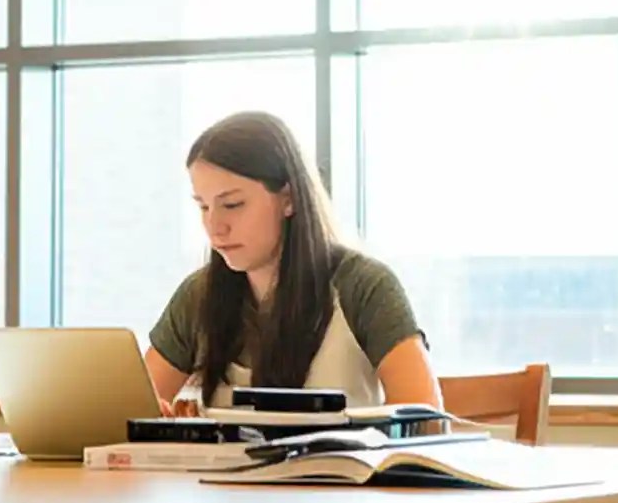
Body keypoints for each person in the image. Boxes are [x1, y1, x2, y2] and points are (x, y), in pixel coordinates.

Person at [144, 111, 441, 415]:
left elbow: (423, 418)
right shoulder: (198, 296)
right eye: (203, 206)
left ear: (289, 199)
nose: (214, 226)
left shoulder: (364, 286)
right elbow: (129, 410)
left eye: (232, 204)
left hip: (344, 464)